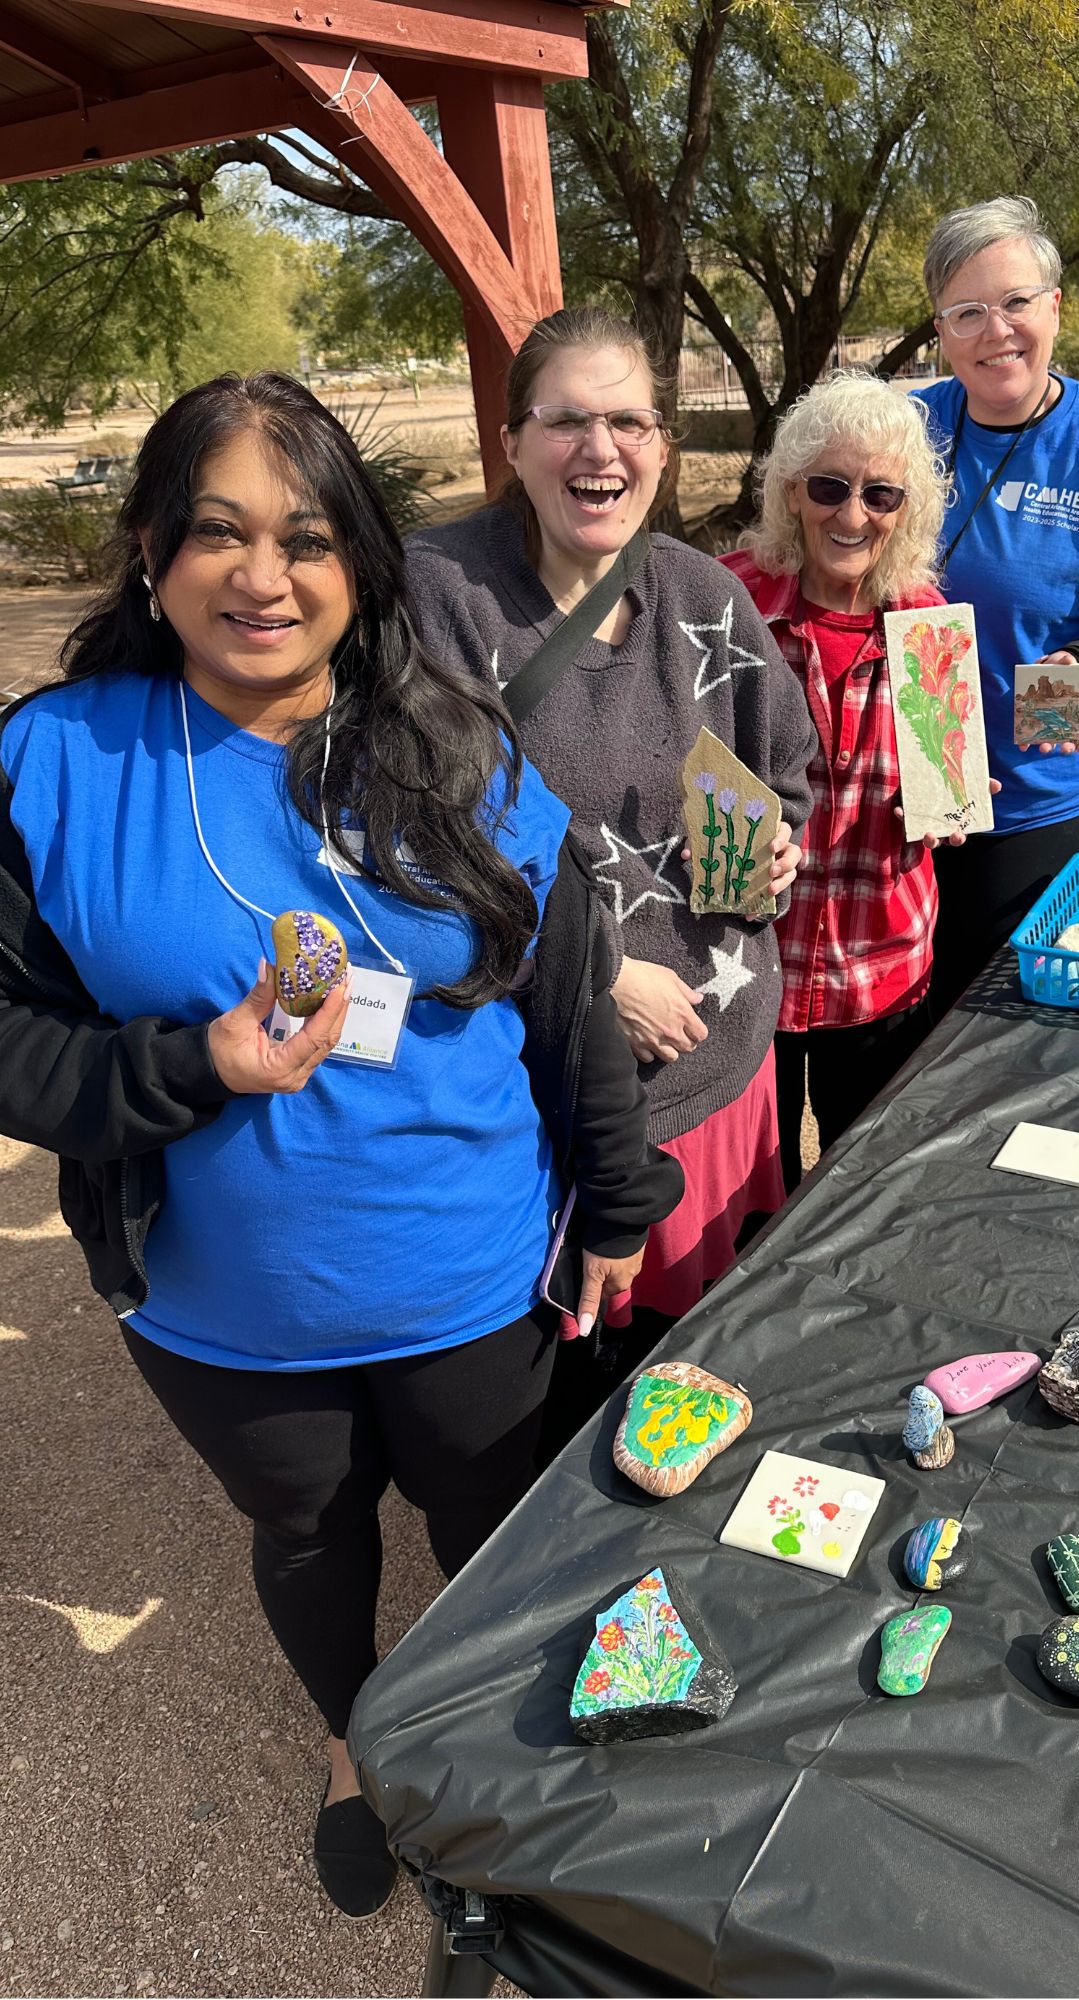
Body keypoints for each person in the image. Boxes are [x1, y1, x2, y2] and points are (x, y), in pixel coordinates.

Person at [0, 373, 680, 1919]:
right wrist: (189, 1065)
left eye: (305, 538)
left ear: (360, 564)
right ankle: (351, 1738)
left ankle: (496, 1735)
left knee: (487, 1529)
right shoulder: (50, 764)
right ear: (152, 550)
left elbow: (566, 1003)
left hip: (473, 1279)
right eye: (218, 534)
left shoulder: (457, 743)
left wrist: (625, 1200)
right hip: (224, 1315)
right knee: (307, 1539)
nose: (263, 577)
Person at [405, 307, 816, 1445]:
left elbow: (783, 774)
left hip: (721, 1050)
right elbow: (413, 844)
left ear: (663, 445)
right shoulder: (436, 596)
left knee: (693, 1355)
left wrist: (776, 848)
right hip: (552, 1081)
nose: (601, 448)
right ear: (513, 442)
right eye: (567, 420)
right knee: (569, 1380)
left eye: (628, 419)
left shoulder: (702, 593)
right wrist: (590, 974)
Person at [913, 195, 1079, 1013]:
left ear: (1053, 307)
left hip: (1036, 798)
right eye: (966, 312)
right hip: (908, 781)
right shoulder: (905, 427)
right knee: (898, 1013)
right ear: (939, 330)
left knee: (989, 1013)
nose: (994, 331)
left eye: (1014, 302)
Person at [719, 372, 970, 1187]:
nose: (852, 514)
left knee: (859, 1183)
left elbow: (951, 775)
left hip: (878, 962)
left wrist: (955, 804)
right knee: (750, 1195)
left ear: (908, 509)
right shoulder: (725, 604)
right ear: (790, 491)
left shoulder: (929, 630)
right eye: (828, 486)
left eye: (880, 494)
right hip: (742, 966)